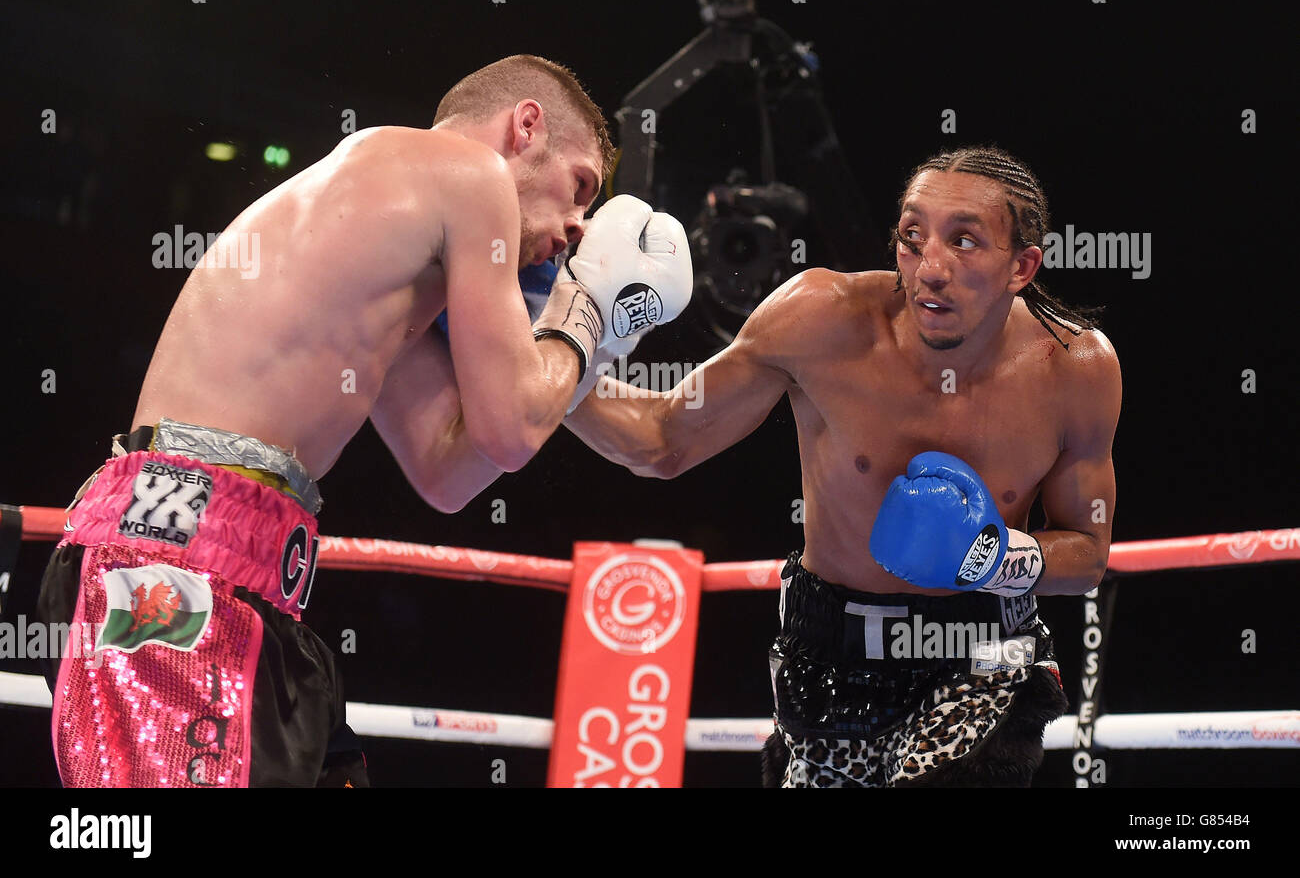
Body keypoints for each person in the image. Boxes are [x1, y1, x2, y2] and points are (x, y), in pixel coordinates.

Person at [36, 54, 693, 787]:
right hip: (172, 561)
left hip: (242, 576)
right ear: (526, 126)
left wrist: (584, 343)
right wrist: (589, 309)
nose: (578, 228)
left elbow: (451, 470)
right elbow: (513, 427)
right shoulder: (468, 177)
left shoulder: (386, 258)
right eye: (580, 188)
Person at [564, 147, 1122, 787]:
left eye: (963, 241)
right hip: (828, 648)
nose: (929, 267)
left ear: (1022, 266)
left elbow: (1088, 552)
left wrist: (997, 560)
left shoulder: (1075, 368)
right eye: (913, 236)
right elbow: (663, 437)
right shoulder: (820, 318)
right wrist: (547, 354)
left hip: (982, 653)